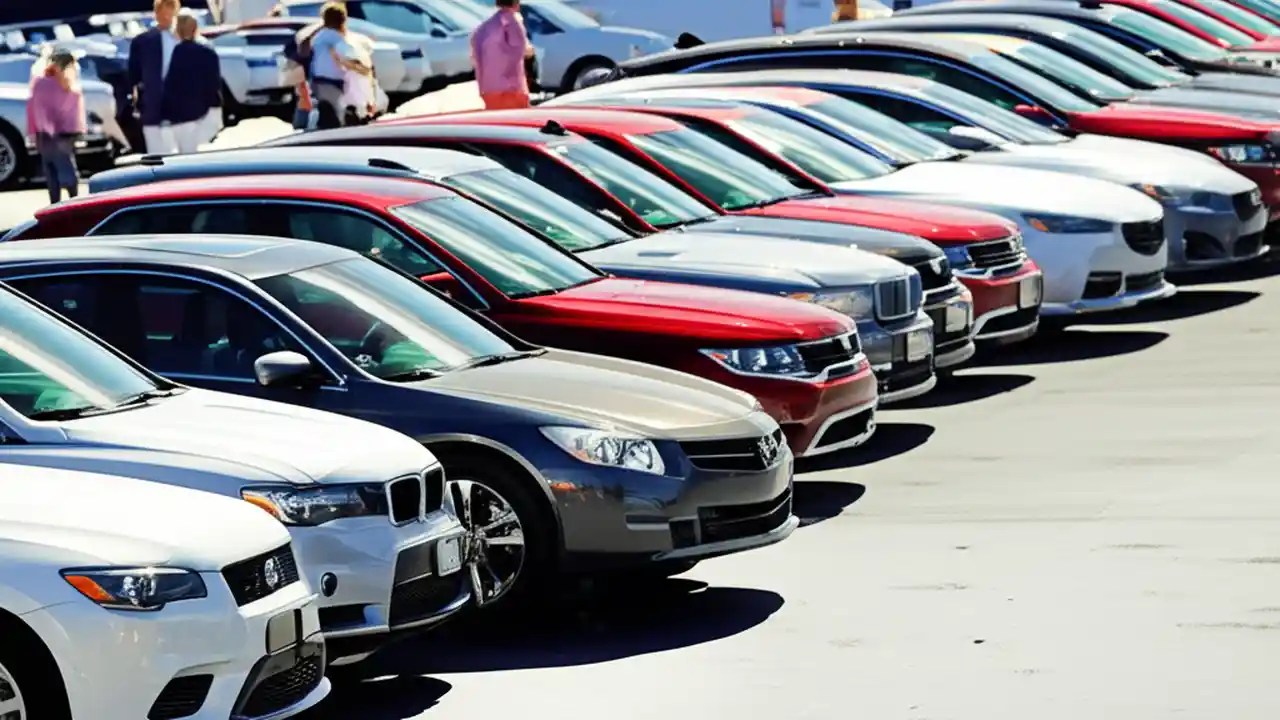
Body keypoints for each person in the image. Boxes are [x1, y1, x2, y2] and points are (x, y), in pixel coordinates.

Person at [27, 49, 85, 204]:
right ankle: (75, 202)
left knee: (52, 171)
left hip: (47, 133)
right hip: (67, 133)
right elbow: (74, 113)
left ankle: (56, 206)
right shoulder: (70, 84)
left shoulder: (41, 82)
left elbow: (37, 109)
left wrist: (42, 130)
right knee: (65, 168)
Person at [164, 12, 222, 153]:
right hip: (205, 111)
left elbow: (170, 85)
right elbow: (214, 83)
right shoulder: (208, 51)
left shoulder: (176, 52)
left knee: (186, 155)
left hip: (181, 114)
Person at [129, 0, 181, 154]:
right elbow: (134, 74)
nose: (166, 17)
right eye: (162, 13)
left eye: (169, 13)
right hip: (153, 104)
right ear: (156, 14)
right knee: (156, 151)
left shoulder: (183, 39)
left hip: (181, 104)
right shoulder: (142, 42)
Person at [308, 3, 370, 129]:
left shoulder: (318, 37)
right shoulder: (337, 38)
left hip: (318, 79)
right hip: (334, 80)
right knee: (336, 117)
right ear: (342, 20)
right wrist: (361, 67)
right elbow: (347, 57)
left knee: (326, 111)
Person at [471, 0, 535, 111]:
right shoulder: (512, 21)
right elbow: (521, 50)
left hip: (488, 88)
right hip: (510, 87)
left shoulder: (484, 27)